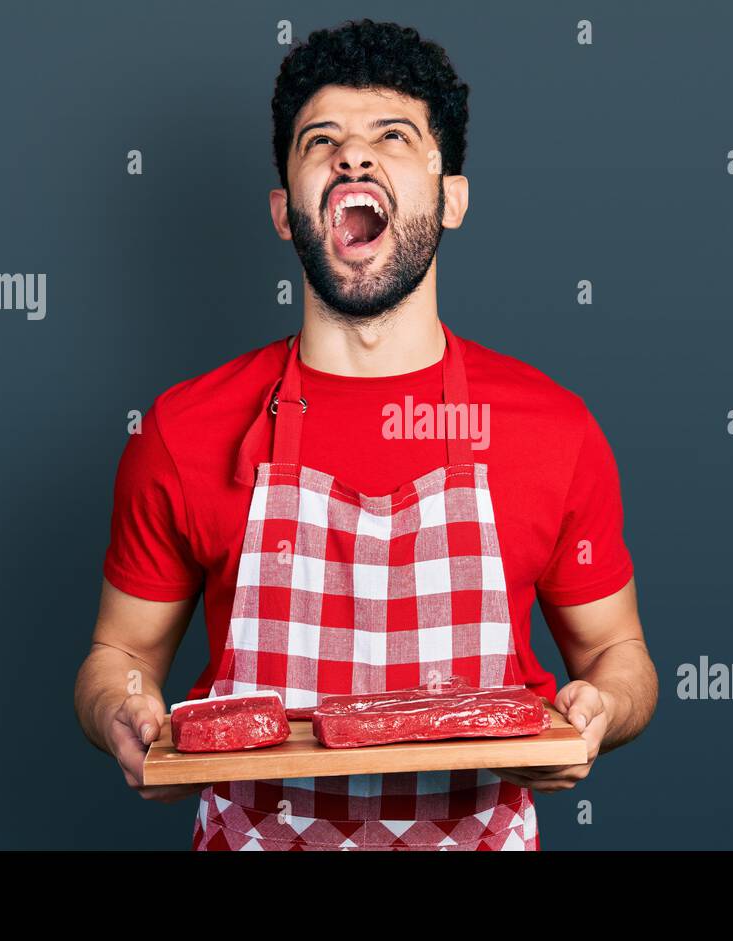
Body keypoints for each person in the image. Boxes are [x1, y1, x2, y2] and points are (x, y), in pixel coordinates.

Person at [75, 18, 657, 851]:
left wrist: (600, 710)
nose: (354, 157)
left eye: (392, 134)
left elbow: (618, 654)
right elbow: (117, 652)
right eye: (323, 141)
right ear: (284, 210)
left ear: (451, 195)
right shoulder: (184, 429)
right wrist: (119, 708)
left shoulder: (552, 429)